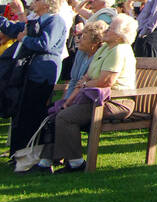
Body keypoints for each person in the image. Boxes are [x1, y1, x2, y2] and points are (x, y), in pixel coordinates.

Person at [36, 13, 139, 172]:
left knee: (66, 117)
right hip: (95, 98)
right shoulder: (105, 48)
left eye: (110, 29)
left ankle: (76, 163)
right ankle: (46, 162)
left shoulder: (120, 50)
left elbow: (106, 81)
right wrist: (70, 99)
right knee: (56, 113)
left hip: (116, 102)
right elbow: (88, 76)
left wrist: (85, 84)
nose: (106, 30)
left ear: (119, 35)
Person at [2, 0, 68, 159]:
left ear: (47, 3)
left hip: (42, 73)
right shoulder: (39, 20)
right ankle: (18, 154)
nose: (34, 1)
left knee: (32, 112)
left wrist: (25, 39)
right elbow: (14, 29)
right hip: (30, 72)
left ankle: (29, 154)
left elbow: (45, 44)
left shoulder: (55, 21)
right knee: (22, 112)